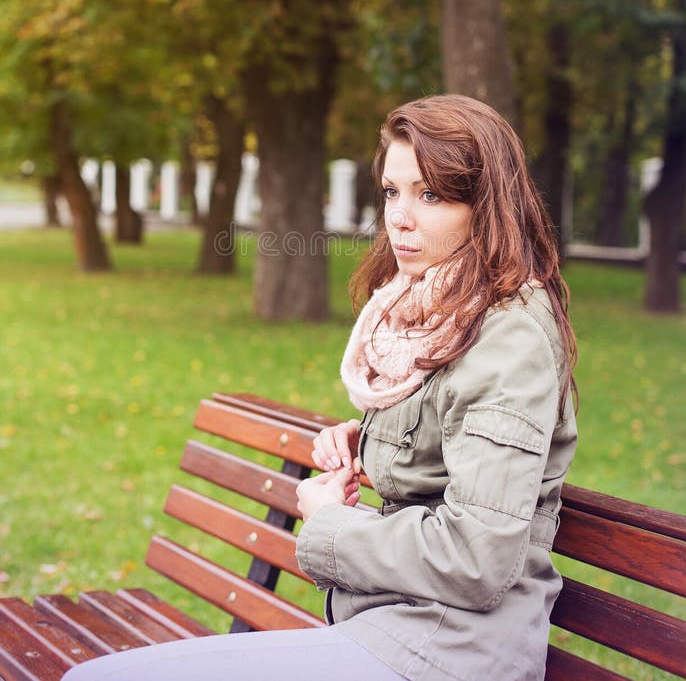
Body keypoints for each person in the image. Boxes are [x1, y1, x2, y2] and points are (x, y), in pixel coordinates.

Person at [64, 94, 577, 680]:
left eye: (431, 194)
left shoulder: (508, 338)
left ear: (486, 206)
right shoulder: (441, 309)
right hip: (394, 630)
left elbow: (478, 557)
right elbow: (454, 438)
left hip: (447, 652)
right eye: (392, 191)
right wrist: (369, 445)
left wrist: (332, 522)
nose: (401, 217)